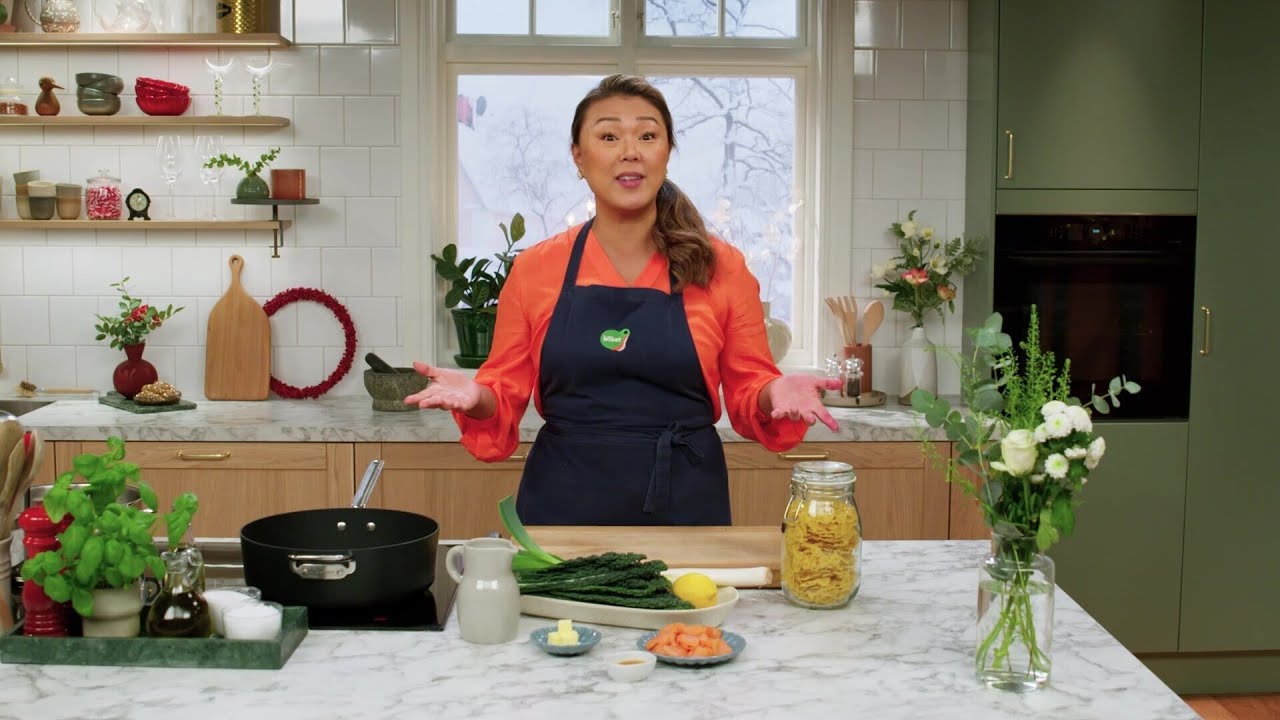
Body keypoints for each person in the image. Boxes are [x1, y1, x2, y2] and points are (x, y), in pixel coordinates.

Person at [408, 74, 839, 526]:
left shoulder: (721, 268)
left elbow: (751, 387)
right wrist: (476, 396)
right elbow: (502, 394)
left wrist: (776, 392)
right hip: (563, 505)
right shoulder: (536, 269)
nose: (630, 150)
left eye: (648, 135)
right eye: (609, 135)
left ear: (667, 153)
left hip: (686, 504)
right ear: (578, 155)